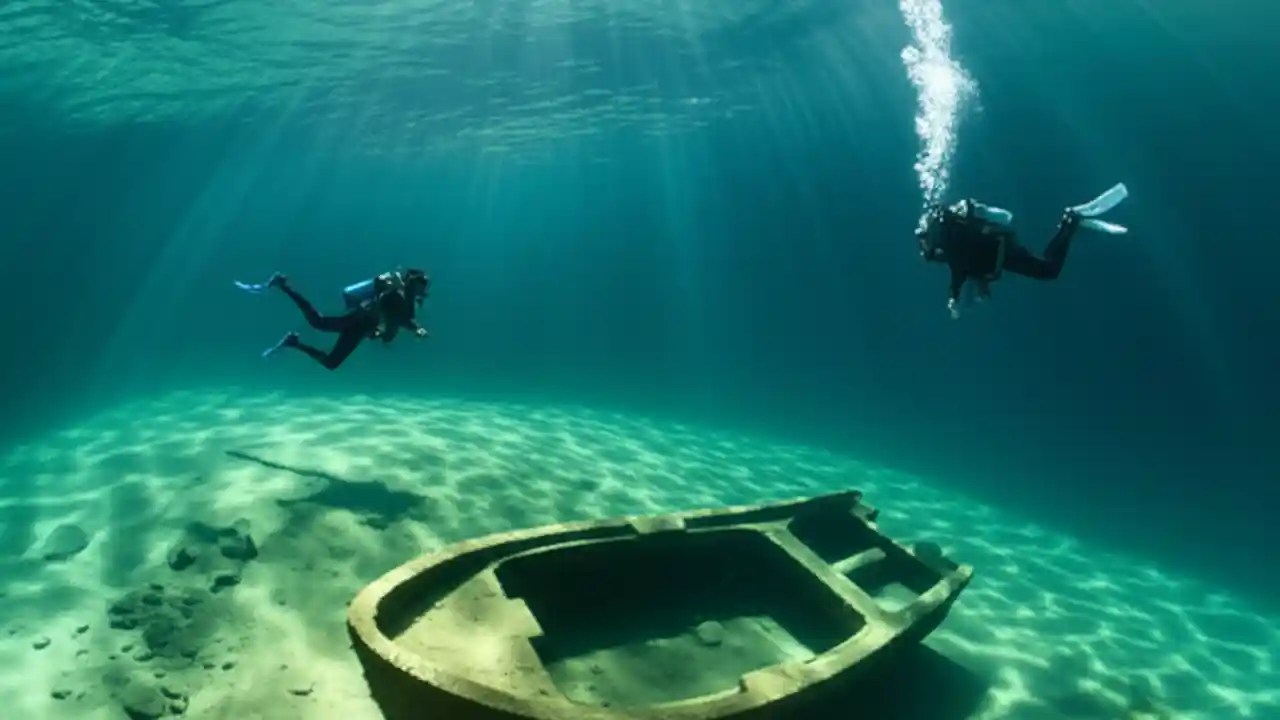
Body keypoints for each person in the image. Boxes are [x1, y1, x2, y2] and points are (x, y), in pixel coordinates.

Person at [915, 183, 1130, 318]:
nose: (933, 257)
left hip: (1001, 250)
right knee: (1046, 269)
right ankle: (1070, 225)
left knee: (1048, 271)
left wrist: (954, 299)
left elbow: (959, 271)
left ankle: (1070, 221)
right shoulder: (953, 239)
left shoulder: (951, 247)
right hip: (1000, 247)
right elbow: (964, 268)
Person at [235, 269, 431, 370]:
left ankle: (293, 342)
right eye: (422, 286)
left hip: (362, 328)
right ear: (414, 284)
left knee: (331, 362)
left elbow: (403, 319)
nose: (424, 291)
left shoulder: (408, 300)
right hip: (357, 321)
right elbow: (394, 312)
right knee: (317, 322)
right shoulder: (396, 292)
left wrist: (415, 329)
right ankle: (283, 285)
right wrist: (412, 328)